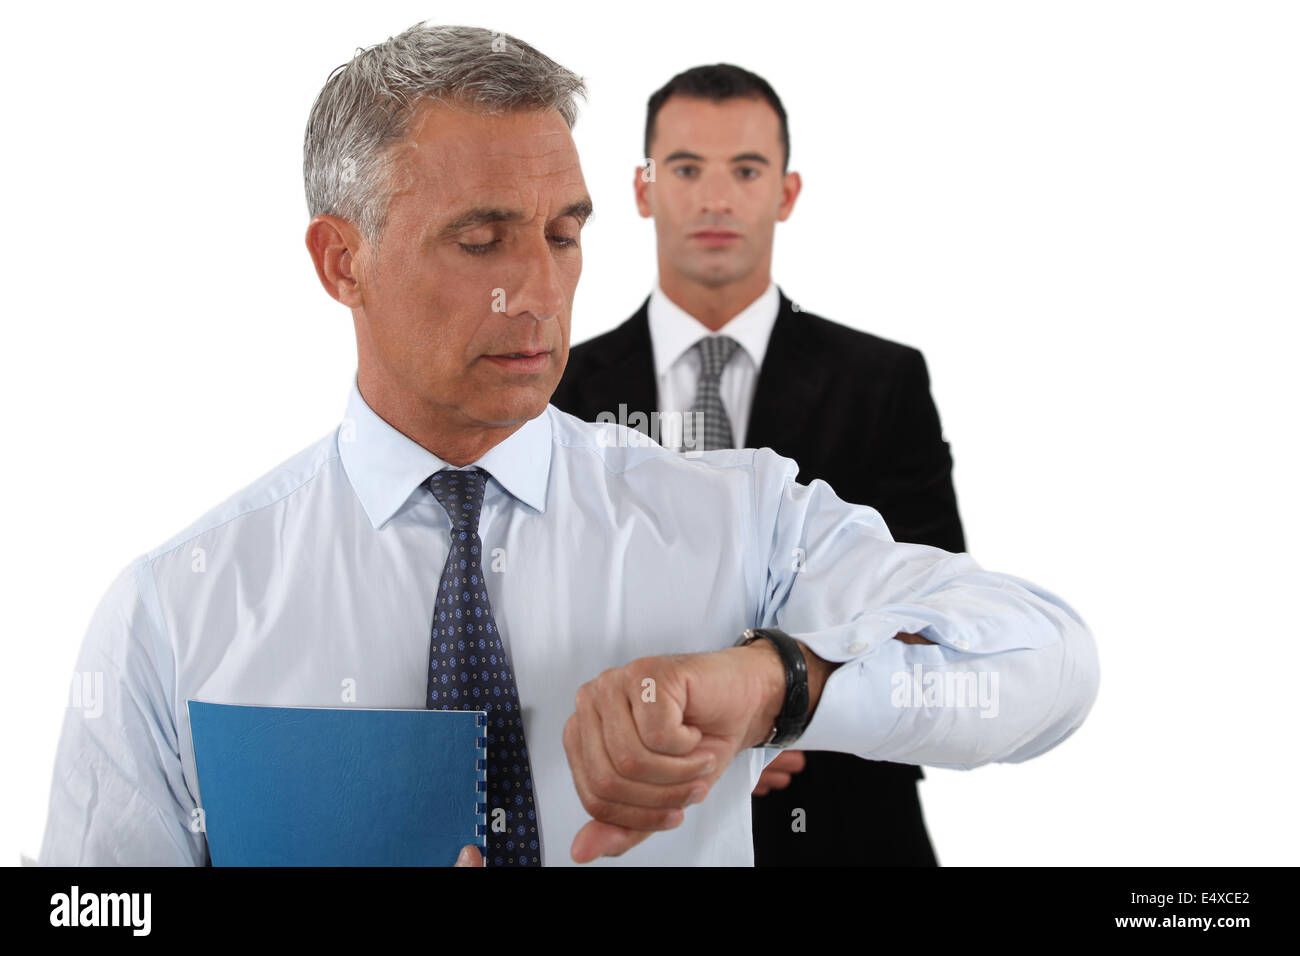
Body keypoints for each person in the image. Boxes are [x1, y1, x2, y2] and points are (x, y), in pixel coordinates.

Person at [36, 22, 1098, 868]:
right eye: (481, 237)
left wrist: (775, 682)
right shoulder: (176, 610)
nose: (540, 291)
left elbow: (1047, 663)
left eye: (563, 233)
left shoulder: (739, 519)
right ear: (339, 259)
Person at [551, 65, 964, 866]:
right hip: (627, 817)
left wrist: (788, 703)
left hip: (845, 822)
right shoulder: (558, 387)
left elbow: (933, 614)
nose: (714, 198)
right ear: (642, 190)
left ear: (787, 192)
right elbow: (538, 603)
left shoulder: (882, 383)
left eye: (745, 170)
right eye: (685, 169)